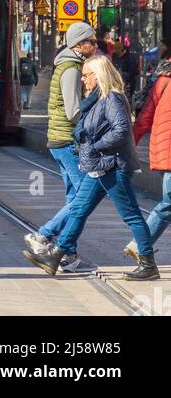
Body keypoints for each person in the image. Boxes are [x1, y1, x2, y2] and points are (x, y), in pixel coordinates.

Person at [24, 54, 159, 281]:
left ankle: (148, 264)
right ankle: (56, 254)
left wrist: (95, 146)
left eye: (87, 76)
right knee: (78, 209)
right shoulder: (97, 99)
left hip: (114, 166)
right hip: (98, 166)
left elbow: (121, 131)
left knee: (131, 215)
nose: (83, 80)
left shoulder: (112, 99)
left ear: (99, 75)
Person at [23, 21, 97, 272]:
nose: (95, 46)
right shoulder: (71, 69)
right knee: (83, 197)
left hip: (61, 138)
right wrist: (93, 124)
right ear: (79, 44)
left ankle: (67, 253)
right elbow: (73, 109)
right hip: (66, 140)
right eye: (91, 41)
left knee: (74, 196)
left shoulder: (69, 64)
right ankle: (43, 236)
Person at [124, 40, 171, 262]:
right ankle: (141, 244)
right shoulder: (164, 80)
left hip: (162, 146)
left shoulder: (162, 80)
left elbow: (145, 116)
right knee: (169, 202)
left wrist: (131, 140)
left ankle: (141, 243)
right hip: (168, 149)